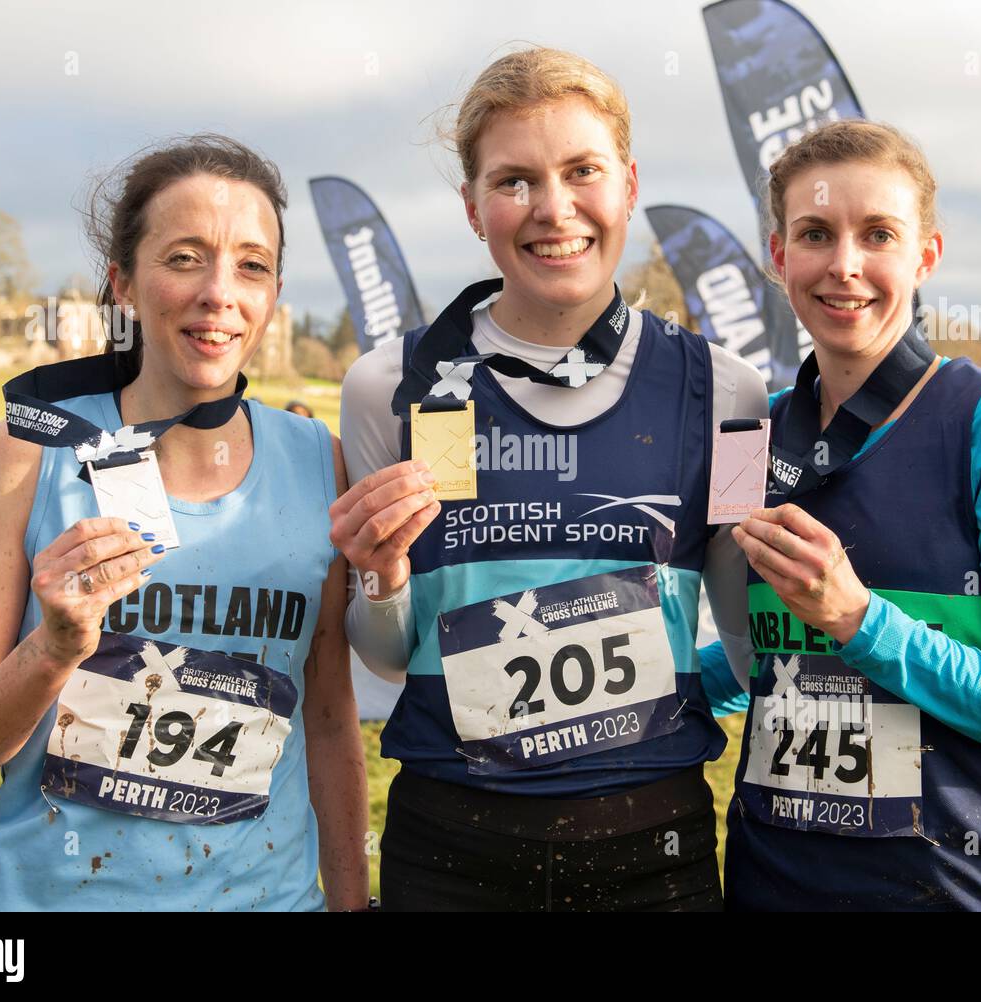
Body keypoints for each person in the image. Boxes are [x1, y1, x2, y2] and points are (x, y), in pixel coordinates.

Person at [332, 47, 769, 911]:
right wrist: (381, 580)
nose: (554, 208)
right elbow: (388, 657)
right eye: (515, 181)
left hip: (656, 851)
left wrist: (970, 667)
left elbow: (755, 648)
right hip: (451, 853)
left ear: (630, 184)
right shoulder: (395, 386)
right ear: (472, 207)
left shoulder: (732, 392)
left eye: (583, 171)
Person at [0, 135, 367, 912]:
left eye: (252, 265)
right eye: (186, 257)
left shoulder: (316, 460)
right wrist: (52, 648)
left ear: (273, 294)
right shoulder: (29, 451)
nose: (220, 292)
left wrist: (351, 903)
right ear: (123, 283)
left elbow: (329, 720)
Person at [715, 120, 981, 911]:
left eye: (879, 234)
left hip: (952, 892)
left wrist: (861, 620)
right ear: (779, 254)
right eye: (816, 234)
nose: (845, 265)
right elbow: (752, 652)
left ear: (926, 255)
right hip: (765, 887)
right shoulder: (746, 436)